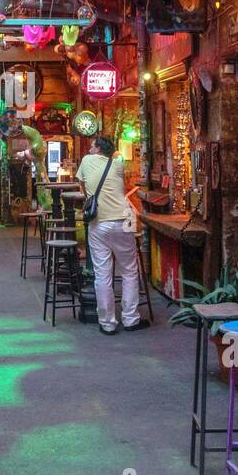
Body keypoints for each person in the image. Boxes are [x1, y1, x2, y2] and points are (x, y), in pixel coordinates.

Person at [76, 136, 146, 336]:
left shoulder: (87, 161)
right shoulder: (117, 165)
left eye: (92, 146)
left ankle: (107, 322)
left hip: (99, 222)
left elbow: (82, 184)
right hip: (124, 219)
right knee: (130, 271)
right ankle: (131, 319)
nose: (89, 149)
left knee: (103, 274)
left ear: (98, 149)